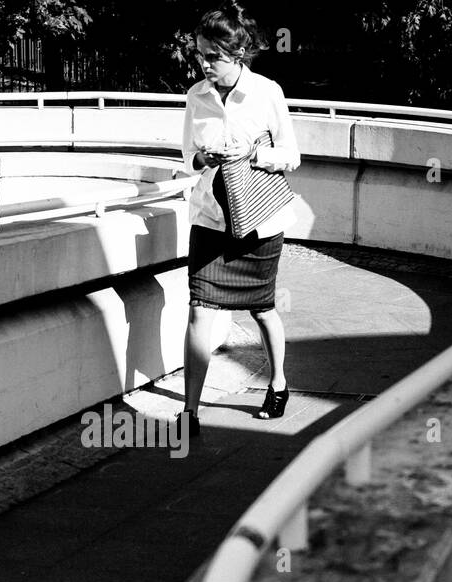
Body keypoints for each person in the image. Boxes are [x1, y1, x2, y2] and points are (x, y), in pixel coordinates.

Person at [180, 2, 300, 434]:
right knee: (199, 309)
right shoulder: (196, 96)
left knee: (262, 309)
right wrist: (203, 156)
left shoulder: (268, 92)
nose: (204, 63)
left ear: (237, 53)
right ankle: (190, 413)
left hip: (257, 221)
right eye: (199, 54)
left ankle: (279, 383)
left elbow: (292, 156)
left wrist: (254, 155)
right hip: (210, 217)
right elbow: (186, 156)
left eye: (212, 55)